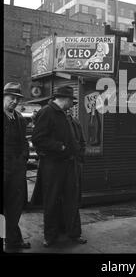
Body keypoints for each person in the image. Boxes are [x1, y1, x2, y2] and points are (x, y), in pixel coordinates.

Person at [31, 86, 87, 247]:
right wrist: (59, 147)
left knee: (72, 200)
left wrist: (77, 154)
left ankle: (74, 234)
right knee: (52, 201)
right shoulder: (47, 112)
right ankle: (50, 237)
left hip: (69, 164)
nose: (72, 105)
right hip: (53, 165)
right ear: (65, 99)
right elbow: (38, 139)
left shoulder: (64, 115)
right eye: (72, 101)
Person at [3, 82, 31, 250]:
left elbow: (25, 142)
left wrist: (24, 157)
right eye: (11, 98)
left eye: (17, 99)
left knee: (14, 206)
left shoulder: (20, 118)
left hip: (16, 169)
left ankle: (12, 240)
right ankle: (3, 238)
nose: (14, 101)